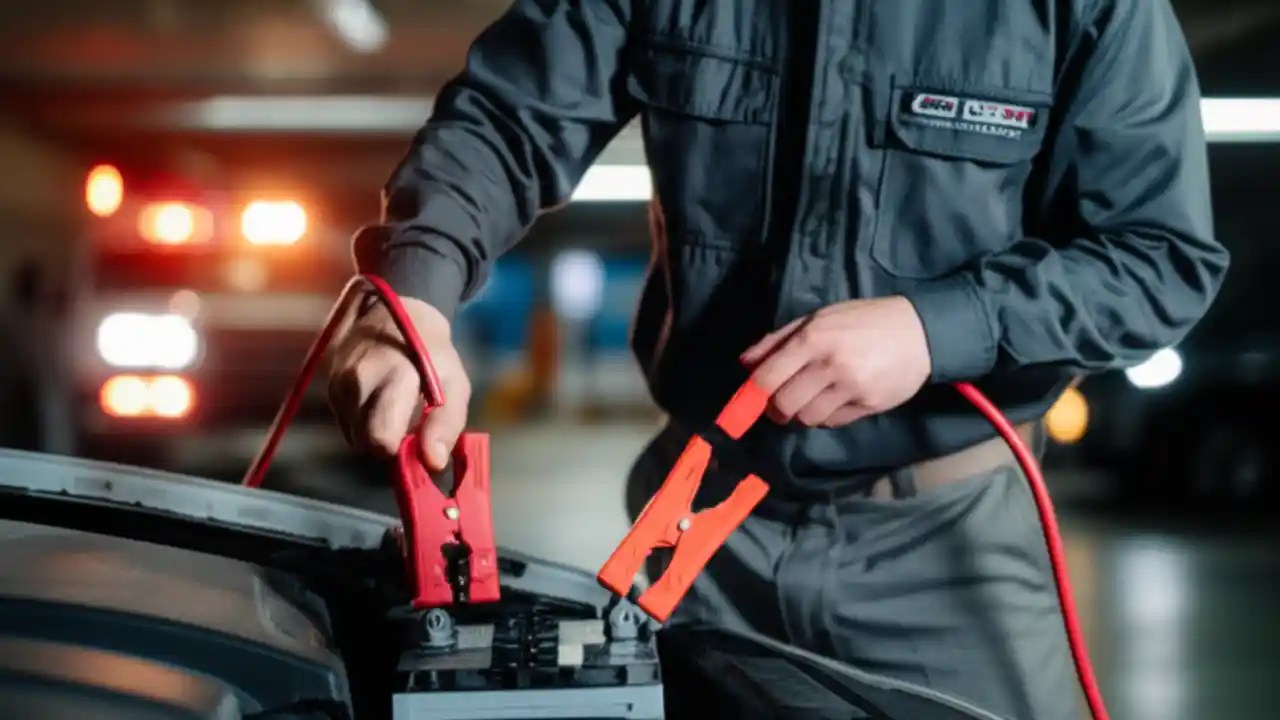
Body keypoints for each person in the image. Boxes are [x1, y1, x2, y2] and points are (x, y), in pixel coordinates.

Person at [329, 1, 1228, 717]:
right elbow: (504, 121)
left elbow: (1160, 259)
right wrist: (415, 292)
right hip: (707, 535)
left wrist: (930, 329)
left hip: (946, 537)